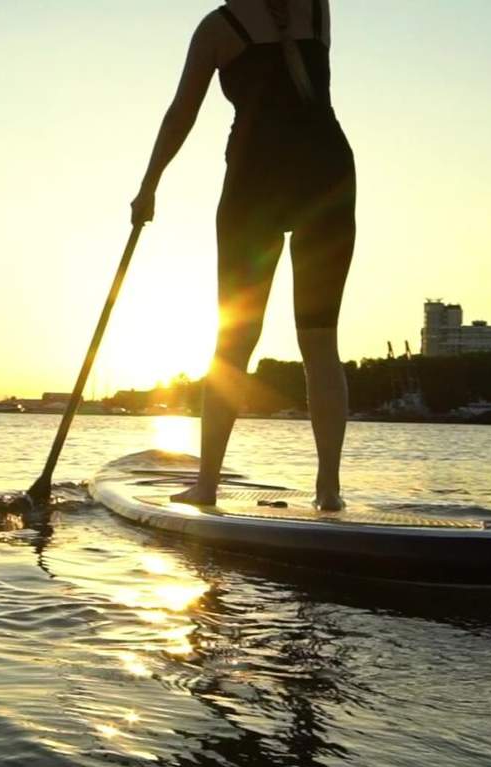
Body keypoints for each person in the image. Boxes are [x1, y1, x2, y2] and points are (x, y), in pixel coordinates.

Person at [131, 0, 355, 511]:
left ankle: (207, 485)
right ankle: (328, 491)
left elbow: (180, 114)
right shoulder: (317, 8)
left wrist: (149, 186)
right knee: (320, 340)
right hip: (329, 177)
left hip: (255, 184)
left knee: (233, 342)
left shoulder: (217, 28)